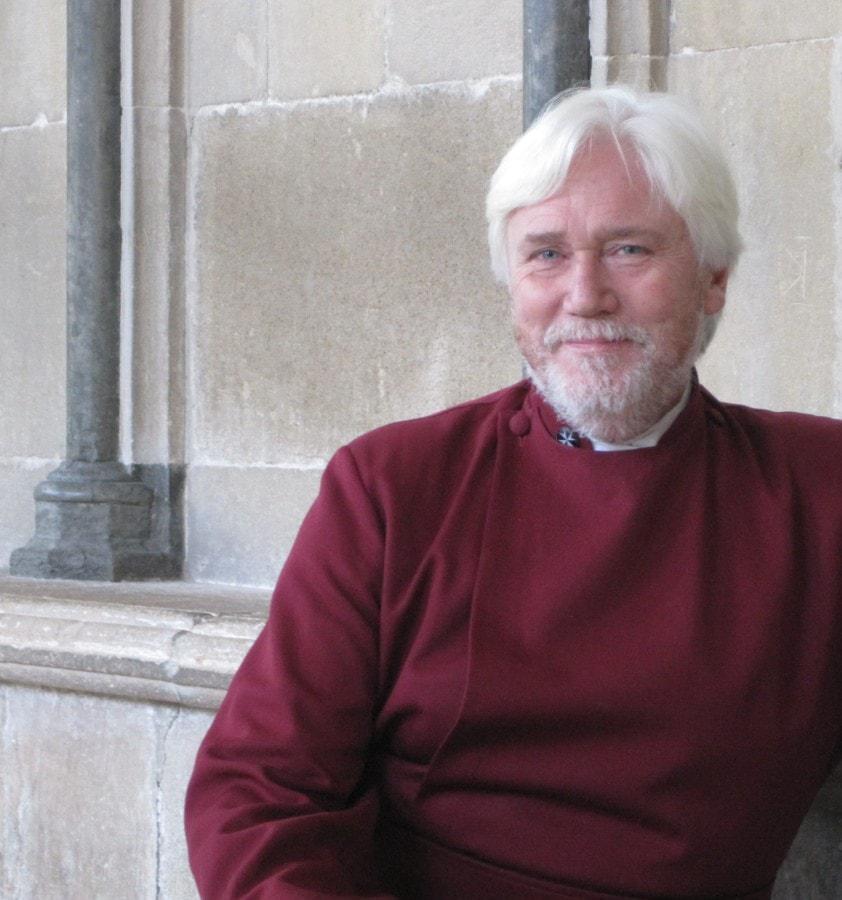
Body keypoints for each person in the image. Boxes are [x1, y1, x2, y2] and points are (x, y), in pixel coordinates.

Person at [184, 86, 842, 899]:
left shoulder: (820, 493)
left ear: (713, 280)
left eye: (629, 249)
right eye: (546, 255)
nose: (586, 294)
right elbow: (259, 793)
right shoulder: (393, 487)